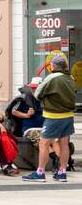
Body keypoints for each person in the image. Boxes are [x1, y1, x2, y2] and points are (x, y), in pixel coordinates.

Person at [24, 54, 76, 183]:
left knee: (43, 143)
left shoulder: (51, 78)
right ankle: (62, 173)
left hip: (53, 116)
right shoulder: (70, 78)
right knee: (64, 144)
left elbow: (37, 95)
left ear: (53, 66)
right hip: (68, 116)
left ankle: (40, 173)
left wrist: (34, 86)